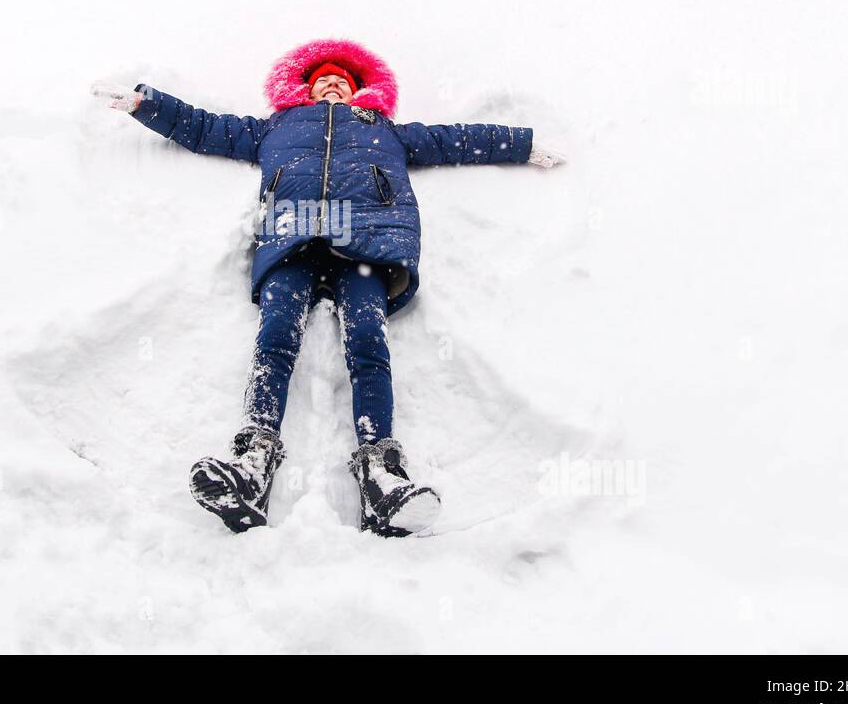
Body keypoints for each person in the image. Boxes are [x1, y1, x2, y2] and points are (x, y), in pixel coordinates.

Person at [93, 38, 563, 537]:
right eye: (324, 81)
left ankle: (382, 478)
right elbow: (207, 128)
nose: (334, 85)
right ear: (304, 88)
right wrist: (147, 104)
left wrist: (522, 143)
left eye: (343, 81)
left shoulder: (385, 131)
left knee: (367, 344)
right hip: (293, 239)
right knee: (274, 338)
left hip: (366, 246)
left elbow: (455, 140)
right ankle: (253, 464)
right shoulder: (276, 126)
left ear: (361, 91)